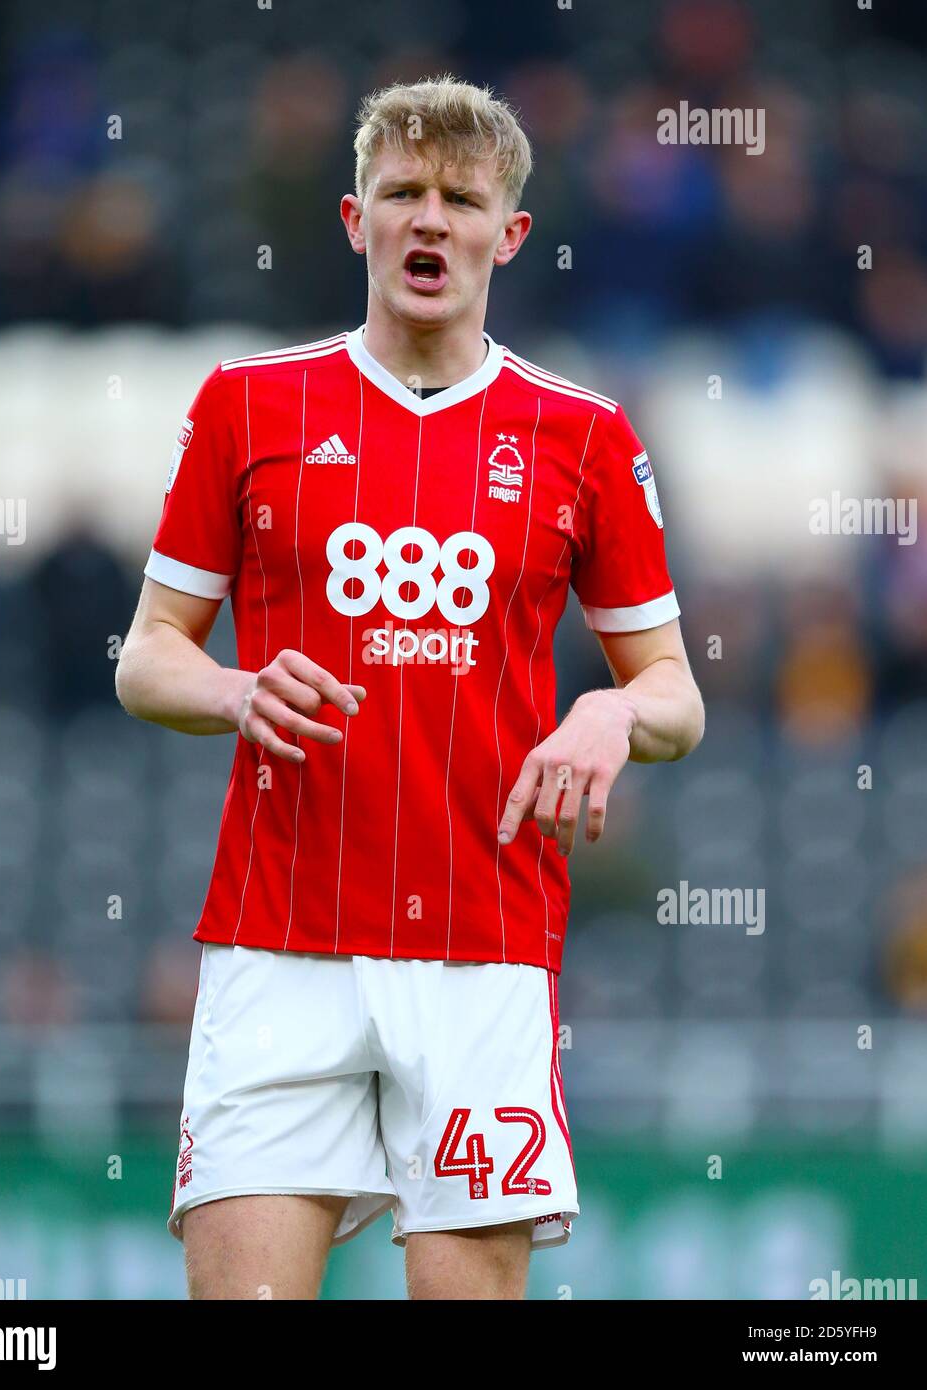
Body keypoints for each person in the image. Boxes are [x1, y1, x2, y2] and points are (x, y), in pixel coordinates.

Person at [115, 75, 704, 1301]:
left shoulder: (581, 434)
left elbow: (673, 697)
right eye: (401, 194)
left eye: (457, 198)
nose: (427, 220)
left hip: (483, 953)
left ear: (509, 233)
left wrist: (605, 706)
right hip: (279, 945)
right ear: (352, 218)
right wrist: (230, 691)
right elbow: (147, 654)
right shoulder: (246, 405)